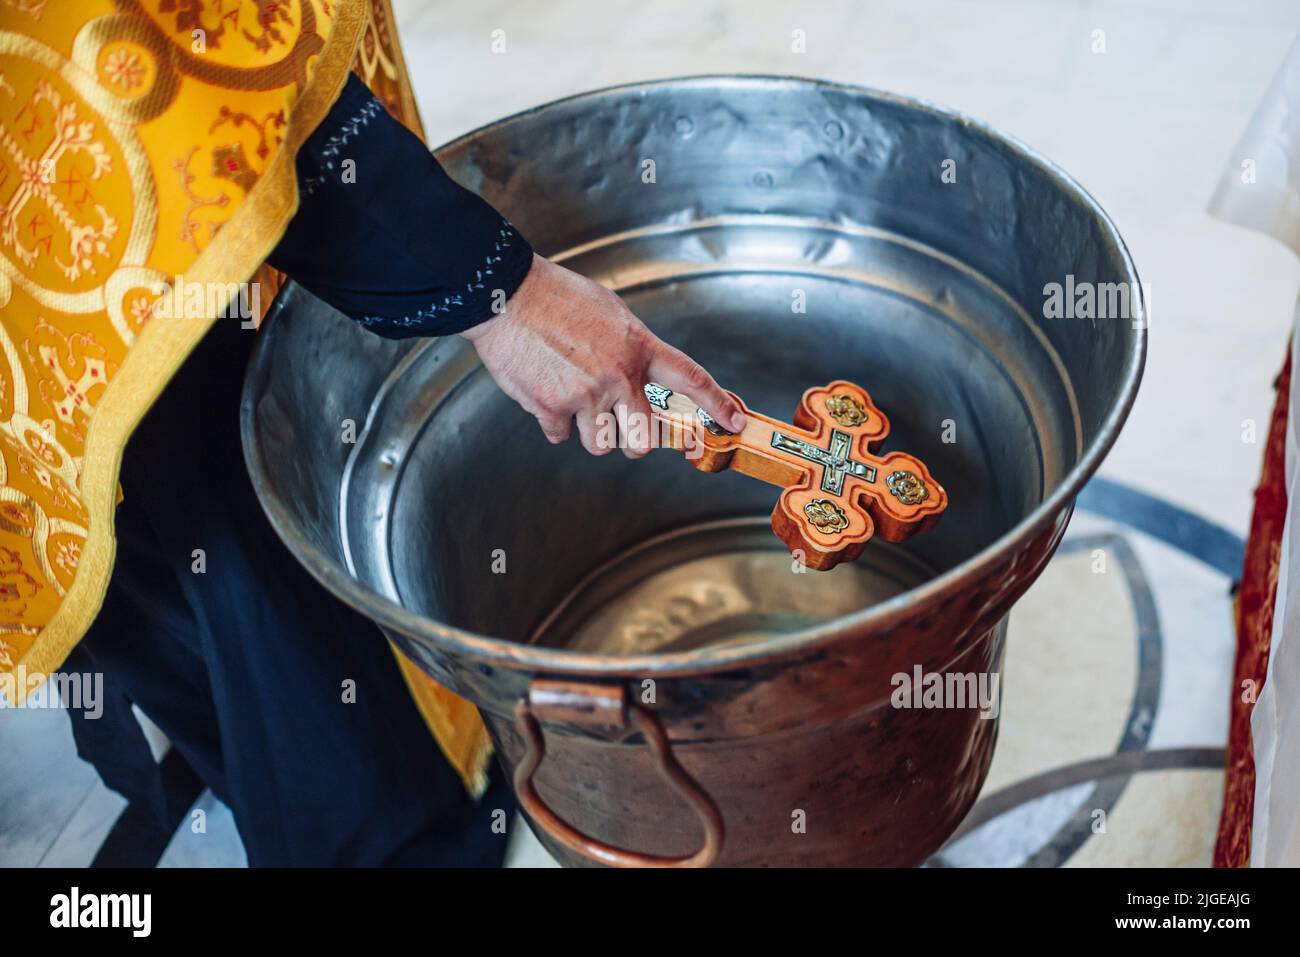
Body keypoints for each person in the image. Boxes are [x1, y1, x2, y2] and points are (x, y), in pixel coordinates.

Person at [0, 0, 743, 865]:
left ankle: (258, 750)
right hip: (117, 169)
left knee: (188, 571)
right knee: (229, 506)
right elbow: (173, 75)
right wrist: (504, 291)